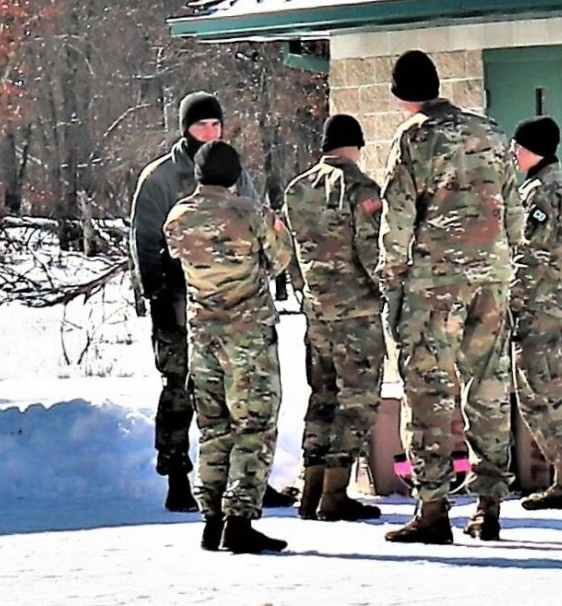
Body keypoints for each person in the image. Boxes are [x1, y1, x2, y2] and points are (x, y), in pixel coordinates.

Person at [377, 50, 524, 545]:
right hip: (492, 276)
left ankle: (433, 508)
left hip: (435, 281)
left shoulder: (413, 137)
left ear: (401, 95)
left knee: (428, 391)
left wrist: (391, 275)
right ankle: (489, 506)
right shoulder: (492, 133)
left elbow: (398, 213)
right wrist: (505, 258)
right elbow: (513, 207)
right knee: (489, 386)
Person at [129, 91, 298, 512]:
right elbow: (145, 238)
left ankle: (246, 481)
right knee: (179, 387)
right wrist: (155, 292)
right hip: (178, 299)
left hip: (235, 303)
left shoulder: (232, 170)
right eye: (201, 124)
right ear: (186, 128)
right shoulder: (161, 177)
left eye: (215, 124)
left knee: (239, 393)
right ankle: (176, 475)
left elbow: (259, 222)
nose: (209, 131)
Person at [163, 141, 294, 553]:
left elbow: (176, 256)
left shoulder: (178, 217)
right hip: (247, 335)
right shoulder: (252, 214)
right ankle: (239, 520)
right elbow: (280, 258)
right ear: (235, 174)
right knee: (254, 424)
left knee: (214, 426)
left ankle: (211, 519)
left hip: (202, 336)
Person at [282, 114, 385, 522]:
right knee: (357, 399)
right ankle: (335, 493)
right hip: (356, 312)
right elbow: (372, 252)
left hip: (316, 311)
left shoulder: (296, 189)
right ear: (357, 145)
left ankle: (310, 489)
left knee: (322, 395)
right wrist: (390, 291)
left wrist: (306, 291)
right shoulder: (360, 188)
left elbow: (290, 255)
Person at [508, 116, 562, 510]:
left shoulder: (542, 192)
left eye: (518, 146)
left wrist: (510, 303)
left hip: (542, 307)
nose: (513, 152)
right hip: (559, 304)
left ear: (534, 149)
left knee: (542, 391)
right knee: (550, 387)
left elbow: (532, 256)